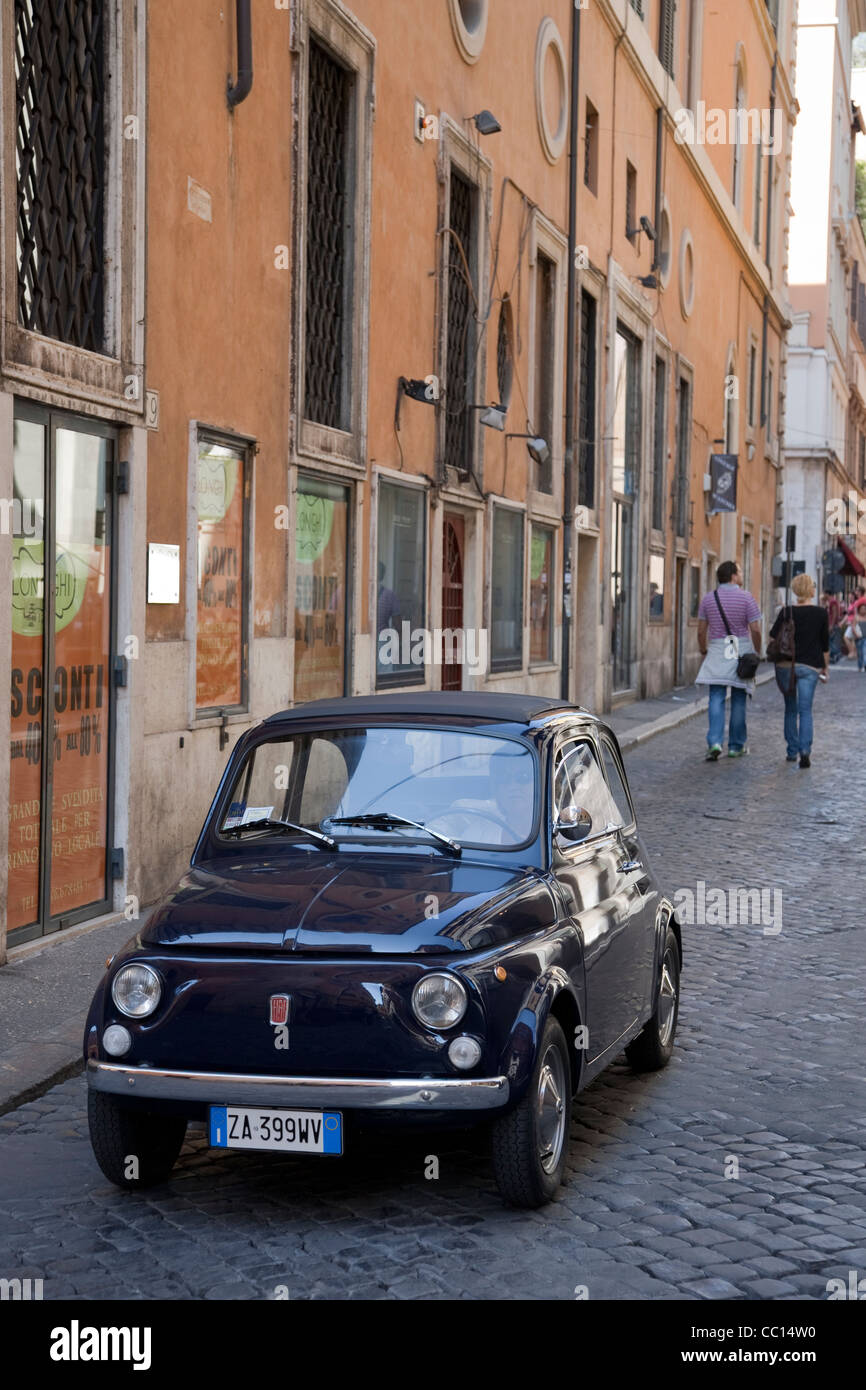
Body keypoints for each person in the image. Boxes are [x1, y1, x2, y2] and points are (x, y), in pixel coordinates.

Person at [696, 560, 763, 760]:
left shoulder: (709, 599)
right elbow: (756, 629)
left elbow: (701, 630)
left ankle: (715, 742)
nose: (742, 575)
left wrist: (703, 649)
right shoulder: (746, 598)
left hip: (717, 649)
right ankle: (736, 746)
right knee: (739, 698)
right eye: (740, 571)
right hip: (740, 650)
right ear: (733, 575)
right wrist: (757, 651)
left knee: (715, 696)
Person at [769, 572, 829, 768]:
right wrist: (825, 668)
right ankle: (805, 751)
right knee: (805, 710)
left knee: (790, 709)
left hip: (787, 665)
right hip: (810, 666)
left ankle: (791, 751)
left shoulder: (786, 612)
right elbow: (825, 645)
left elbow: (773, 639)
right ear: (811, 590)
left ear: (795, 589)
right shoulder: (821, 613)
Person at [842, 584, 866, 668]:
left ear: (860, 592)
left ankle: (855, 655)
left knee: (858, 642)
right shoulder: (862, 600)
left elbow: (856, 614)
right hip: (860, 623)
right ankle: (857, 656)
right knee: (860, 642)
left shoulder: (859, 601)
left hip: (857, 623)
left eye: (856, 590)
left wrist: (853, 624)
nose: (855, 592)